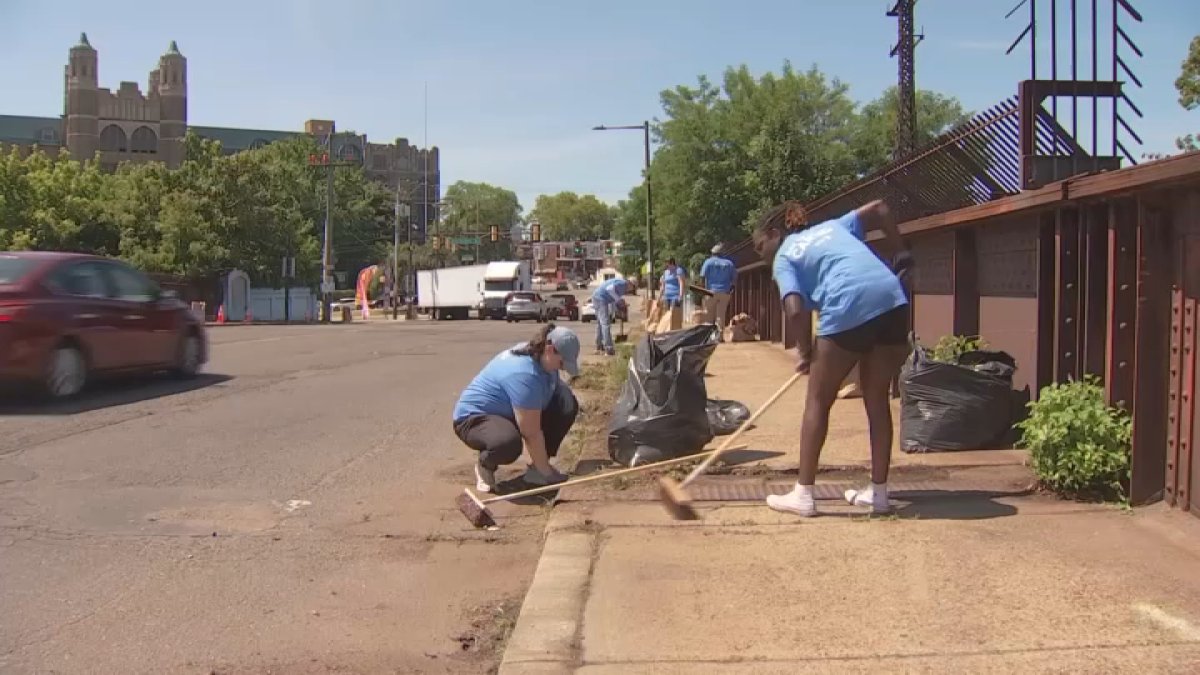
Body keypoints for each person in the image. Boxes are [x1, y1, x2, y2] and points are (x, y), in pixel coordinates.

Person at [751, 199, 913, 517]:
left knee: (818, 400)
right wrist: (901, 251)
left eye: (760, 247)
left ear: (774, 233)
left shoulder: (785, 257)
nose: (761, 256)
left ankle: (803, 494)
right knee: (877, 398)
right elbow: (881, 208)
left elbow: (795, 311)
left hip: (847, 302)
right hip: (893, 300)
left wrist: (806, 352)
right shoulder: (832, 227)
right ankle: (879, 493)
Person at [452, 324, 582, 493]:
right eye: (562, 363)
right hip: (475, 418)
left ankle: (537, 468)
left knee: (565, 402)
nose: (563, 368)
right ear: (550, 349)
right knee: (507, 444)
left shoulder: (541, 357)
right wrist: (549, 475)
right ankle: (486, 464)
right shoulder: (524, 374)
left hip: (509, 410)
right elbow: (530, 432)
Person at [699, 244, 736, 340]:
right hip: (724, 291)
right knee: (721, 315)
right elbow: (734, 279)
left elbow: (702, 276)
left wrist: (703, 290)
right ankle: (719, 338)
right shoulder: (729, 263)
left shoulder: (708, 262)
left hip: (710, 291)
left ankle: (708, 337)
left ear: (713, 253)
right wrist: (731, 288)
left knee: (708, 315)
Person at [591, 277, 633, 356]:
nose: (631, 289)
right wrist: (619, 300)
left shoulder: (622, 286)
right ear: (629, 283)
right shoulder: (622, 284)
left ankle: (599, 346)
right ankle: (609, 348)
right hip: (600, 298)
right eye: (632, 287)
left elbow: (612, 298)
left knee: (601, 324)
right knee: (605, 324)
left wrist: (617, 309)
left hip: (598, 297)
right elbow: (609, 289)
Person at [660, 258, 687, 330]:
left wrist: (680, 296)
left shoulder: (678, 270)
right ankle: (667, 329)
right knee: (666, 314)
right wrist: (660, 296)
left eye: (668, 264)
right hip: (667, 295)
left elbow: (681, 283)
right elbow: (663, 285)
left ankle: (675, 329)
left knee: (674, 314)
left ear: (672, 263)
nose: (666, 266)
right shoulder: (665, 272)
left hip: (675, 295)